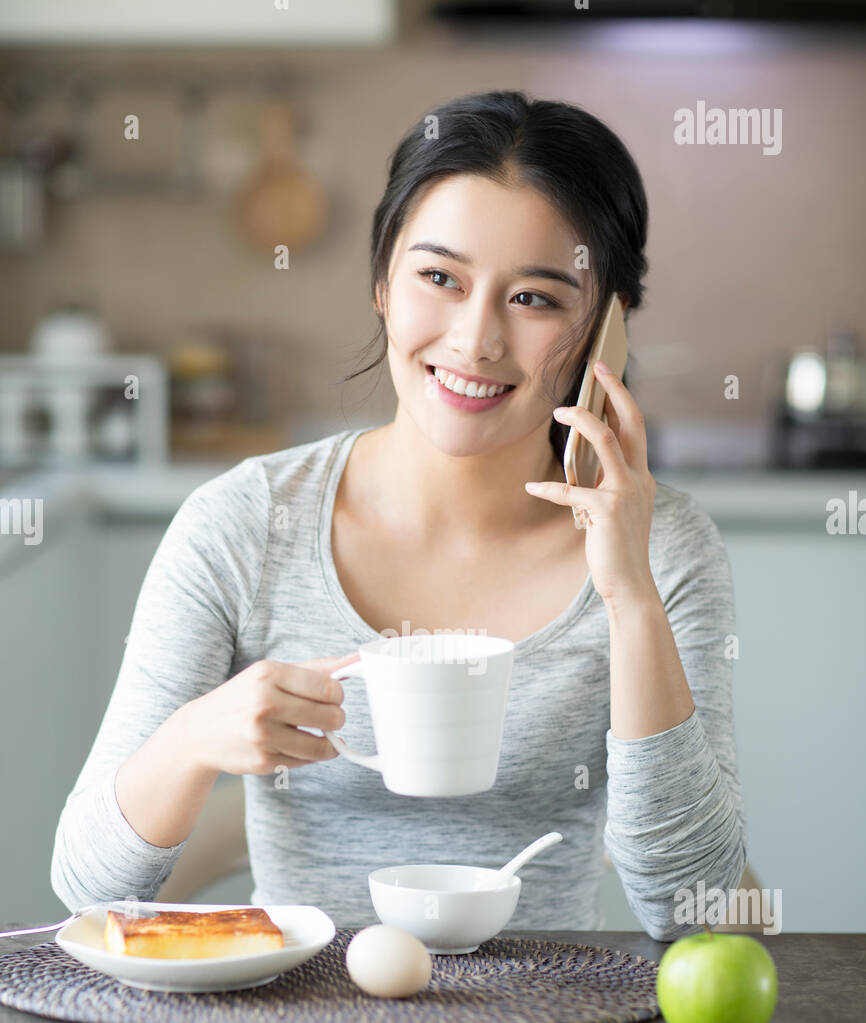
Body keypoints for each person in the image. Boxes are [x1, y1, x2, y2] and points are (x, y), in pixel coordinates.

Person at [51, 90, 746, 939]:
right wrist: (193, 741)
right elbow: (84, 885)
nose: (476, 340)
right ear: (383, 283)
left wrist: (631, 597)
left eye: (535, 298)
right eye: (439, 278)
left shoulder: (663, 547)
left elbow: (697, 911)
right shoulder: (241, 523)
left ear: (607, 330)